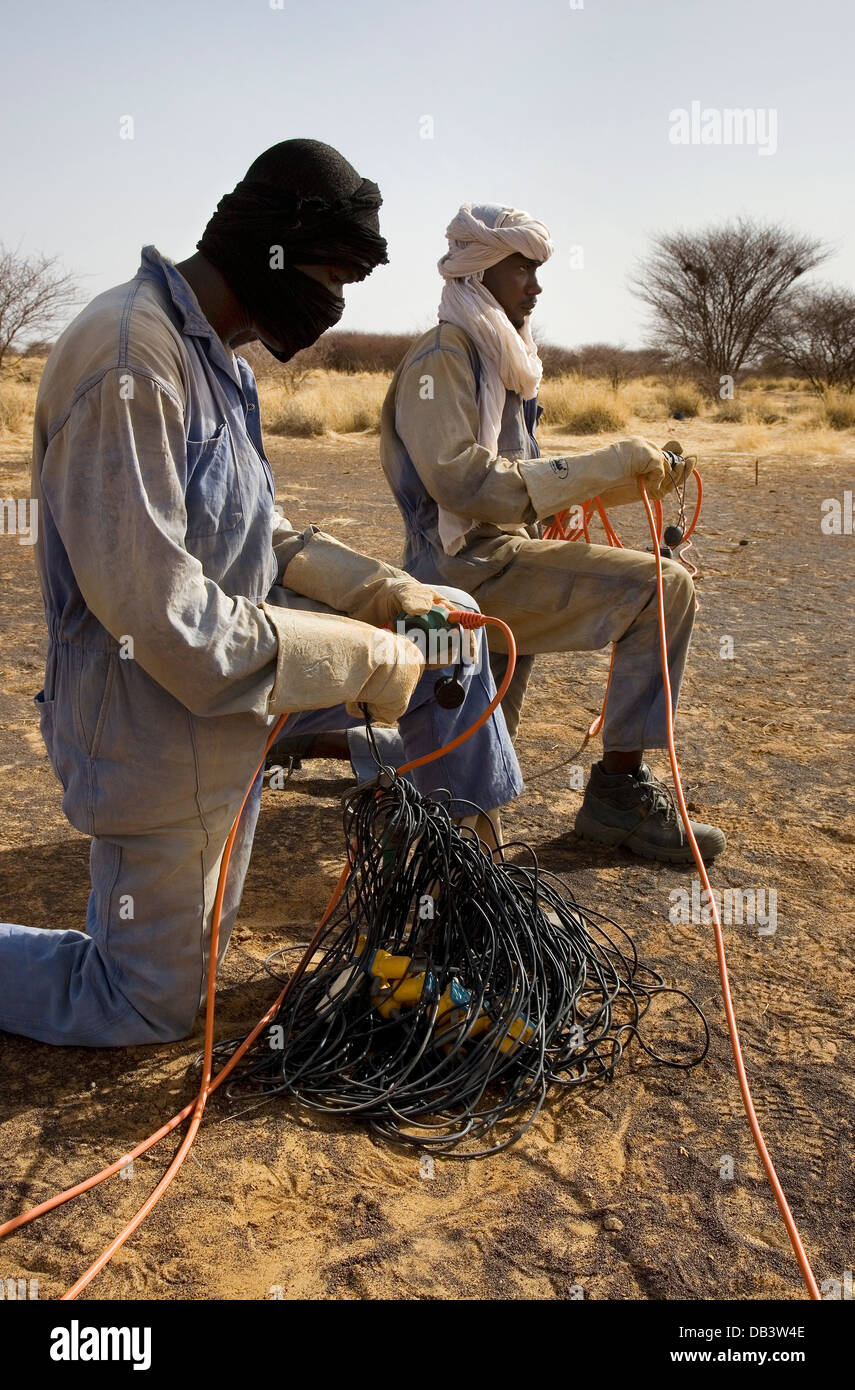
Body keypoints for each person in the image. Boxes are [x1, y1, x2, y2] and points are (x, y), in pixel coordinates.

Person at [0, 145, 521, 1048]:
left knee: (453, 642)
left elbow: (259, 530)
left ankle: (464, 889)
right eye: (329, 275)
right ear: (268, 247)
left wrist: (383, 592)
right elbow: (162, 614)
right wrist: (357, 655)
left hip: (235, 696)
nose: (334, 305)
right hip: (149, 717)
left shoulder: (221, 363)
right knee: (144, 1001)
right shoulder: (130, 357)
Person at [380, 202, 726, 865]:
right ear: (479, 274)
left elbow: (522, 477)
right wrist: (604, 463)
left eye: (537, 271)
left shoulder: (501, 357)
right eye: (521, 271)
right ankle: (617, 797)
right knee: (665, 588)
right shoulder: (443, 359)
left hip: (497, 556)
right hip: (461, 569)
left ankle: (395, 780)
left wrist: (630, 478)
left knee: (473, 745)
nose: (535, 287)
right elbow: (463, 484)